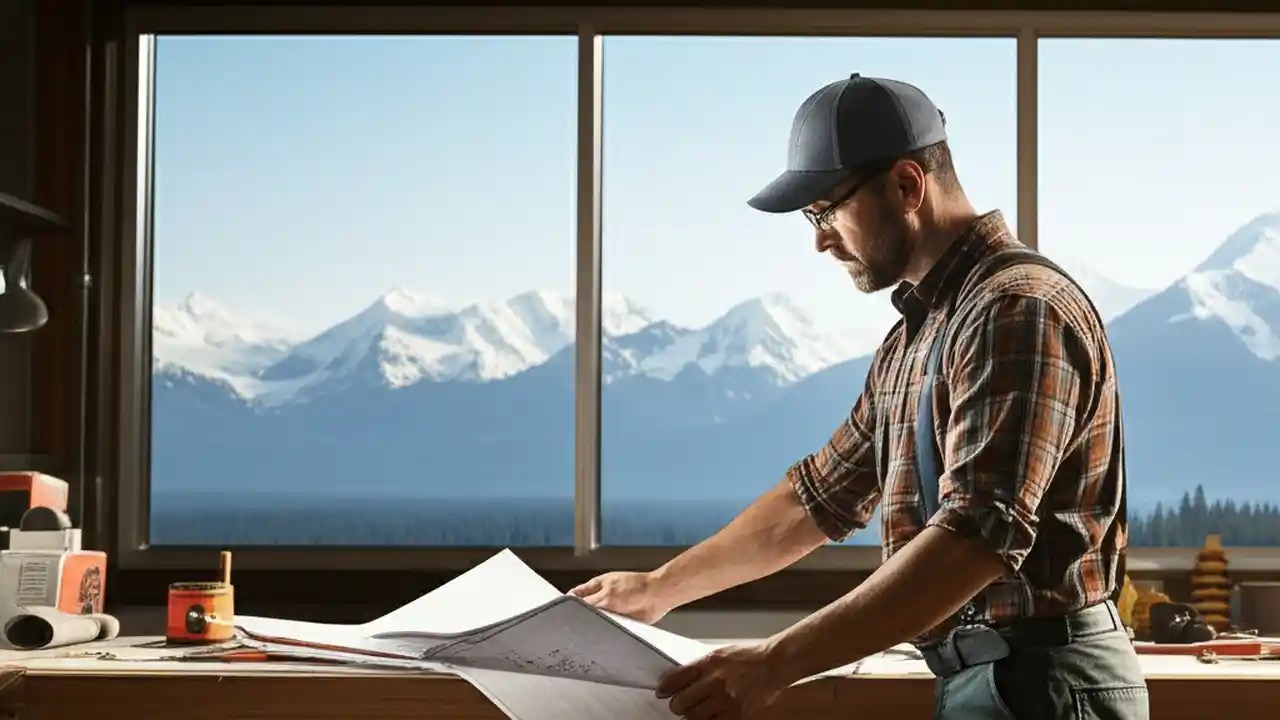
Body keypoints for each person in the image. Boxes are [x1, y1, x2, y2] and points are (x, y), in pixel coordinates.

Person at [569, 74, 1150, 719]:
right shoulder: (919, 335)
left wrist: (775, 662)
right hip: (994, 677)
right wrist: (657, 589)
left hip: (1047, 682)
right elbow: (818, 498)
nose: (820, 239)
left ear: (906, 186)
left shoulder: (1016, 310)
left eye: (826, 211)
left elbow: (975, 538)